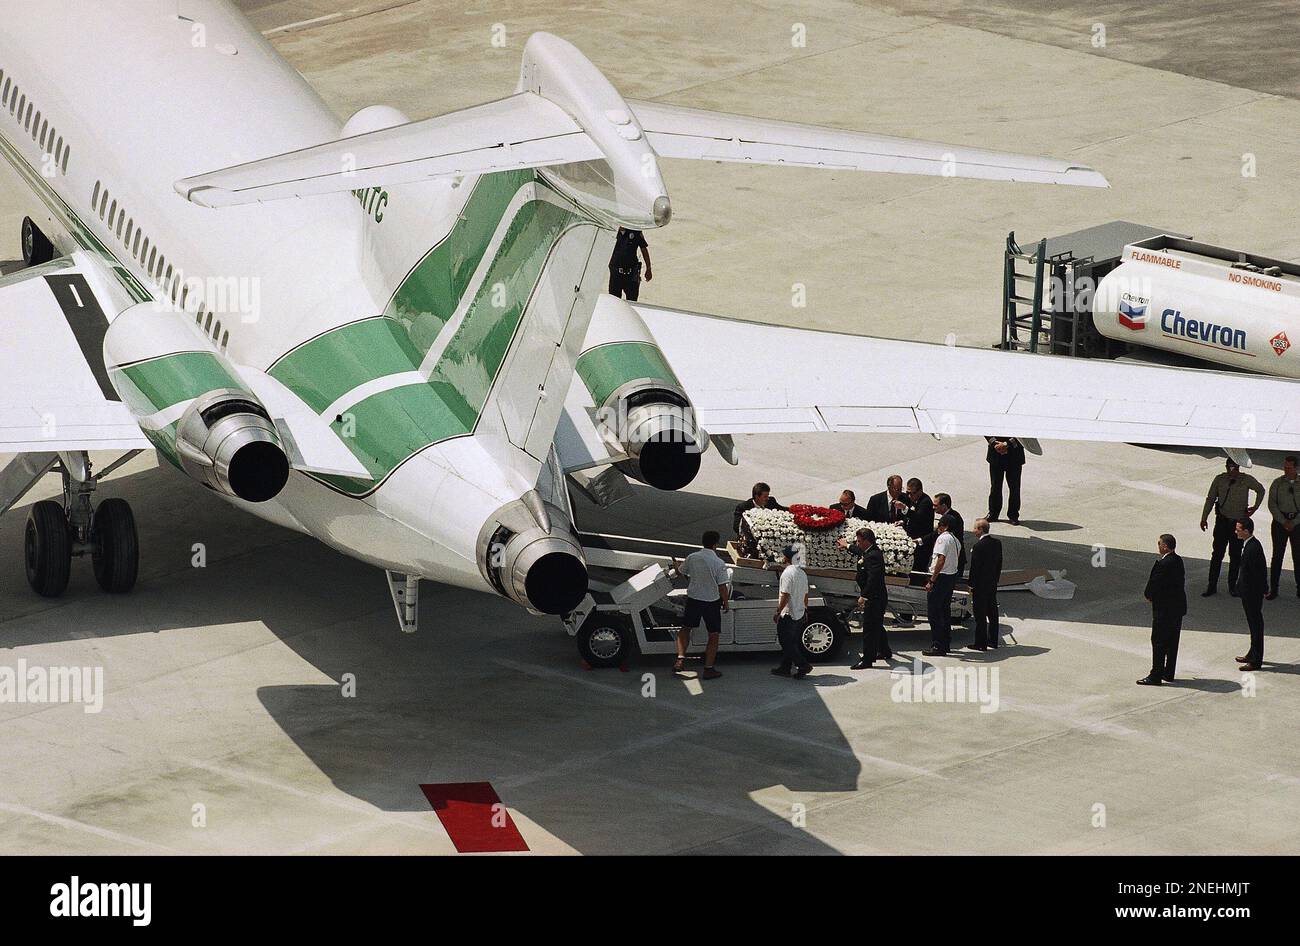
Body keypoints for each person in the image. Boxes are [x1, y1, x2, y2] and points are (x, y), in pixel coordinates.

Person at [670, 530, 730, 680]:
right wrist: (726, 602)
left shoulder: (693, 557)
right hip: (711, 601)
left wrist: (676, 565)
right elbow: (722, 586)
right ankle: (708, 668)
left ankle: (680, 659)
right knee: (714, 634)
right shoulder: (719, 563)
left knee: (685, 629)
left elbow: (680, 572)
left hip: (694, 599)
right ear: (716, 544)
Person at [1200, 458, 1263, 597]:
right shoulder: (1220, 479)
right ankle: (1212, 585)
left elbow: (1260, 490)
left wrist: (1255, 508)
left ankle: (1232, 586)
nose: (1231, 470)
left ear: (1239, 467)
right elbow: (1210, 498)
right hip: (1222, 521)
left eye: (1234, 467)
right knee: (1217, 554)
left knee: (1235, 556)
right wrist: (1204, 517)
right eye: (1229, 467)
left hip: (1237, 524)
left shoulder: (1246, 480)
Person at [1138, 534, 1186, 685]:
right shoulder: (1178, 560)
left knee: (1158, 641)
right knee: (1172, 641)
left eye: (1159, 544)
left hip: (1164, 610)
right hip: (1177, 608)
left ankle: (1156, 675)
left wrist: (1149, 595)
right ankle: (1168, 672)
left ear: (1165, 546)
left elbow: (1154, 584)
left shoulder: (1164, 564)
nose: (1158, 546)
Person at [839, 528, 890, 669]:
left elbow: (873, 579)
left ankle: (868, 660)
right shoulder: (868, 551)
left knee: (869, 628)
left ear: (867, 541)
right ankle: (885, 651)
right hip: (875, 596)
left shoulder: (874, 556)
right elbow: (859, 551)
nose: (857, 543)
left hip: (874, 598)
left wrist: (864, 596)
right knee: (877, 625)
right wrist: (847, 545)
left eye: (859, 541)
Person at [922, 515, 961, 656]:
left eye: (939, 525)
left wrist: (932, 580)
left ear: (944, 526)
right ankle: (945, 643)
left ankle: (938, 645)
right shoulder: (956, 540)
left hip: (941, 579)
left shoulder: (943, 538)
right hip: (950, 578)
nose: (937, 528)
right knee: (944, 611)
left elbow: (941, 559)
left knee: (934, 613)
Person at [771, 545, 812, 679]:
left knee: (786, 643)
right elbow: (806, 594)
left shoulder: (788, 573)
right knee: (792, 642)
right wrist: (805, 609)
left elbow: (785, 594)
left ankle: (803, 665)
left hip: (789, 613)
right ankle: (785, 667)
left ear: (787, 558)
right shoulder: (802, 573)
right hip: (799, 612)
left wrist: (778, 612)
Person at [1266, 456, 1300, 599]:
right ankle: (1274, 589)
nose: (1286, 470)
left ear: (1296, 468)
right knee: (1277, 556)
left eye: (1289, 468)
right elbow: (1272, 504)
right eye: (1285, 467)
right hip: (1280, 523)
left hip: (1297, 524)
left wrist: (1294, 522)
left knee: (1298, 557)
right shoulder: (1277, 483)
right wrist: (1283, 521)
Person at [967, 518, 1002, 651]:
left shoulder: (978, 546)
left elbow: (975, 568)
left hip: (980, 586)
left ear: (981, 530)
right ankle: (993, 640)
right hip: (992, 583)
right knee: (993, 613)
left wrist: (971, 585)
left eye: (975, 528)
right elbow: (999, 563)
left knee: (980, 615)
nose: (973, 531)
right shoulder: (997, 543)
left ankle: (980, 643)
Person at [1236, 518, 1267, 671]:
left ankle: (1256, 660)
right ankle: (1252, 653)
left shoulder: (1253, 548)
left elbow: (1258, 572)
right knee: (1252, 624)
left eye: (1238, 529)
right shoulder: (1249, 545)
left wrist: (1263, 589)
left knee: (1256, 625)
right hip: (1248, 592)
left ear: (1246, 531)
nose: (1236, 531)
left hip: (1252, 594)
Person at [985, 436, 1025, 525]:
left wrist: (1007, 444)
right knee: (995, 486)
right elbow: (985, 427)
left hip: (1014, 455)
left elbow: (1024, 433)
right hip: (995, 453)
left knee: (1014, 488)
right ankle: (993, 513)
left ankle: (1013, 515)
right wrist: (994, 443)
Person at [607, 226, 652, 300]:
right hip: (615, 274)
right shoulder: (612, 231)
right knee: (614, 301)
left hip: (631, 274)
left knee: (632, 302)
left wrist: (648, 268)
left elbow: (643, 249)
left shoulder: (636, 231)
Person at [934, 493, 965, 579]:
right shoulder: (948, 516)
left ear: (944, 506)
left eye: (936, 505)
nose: (933, 507)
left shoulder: (953, 518)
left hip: (952, 560)